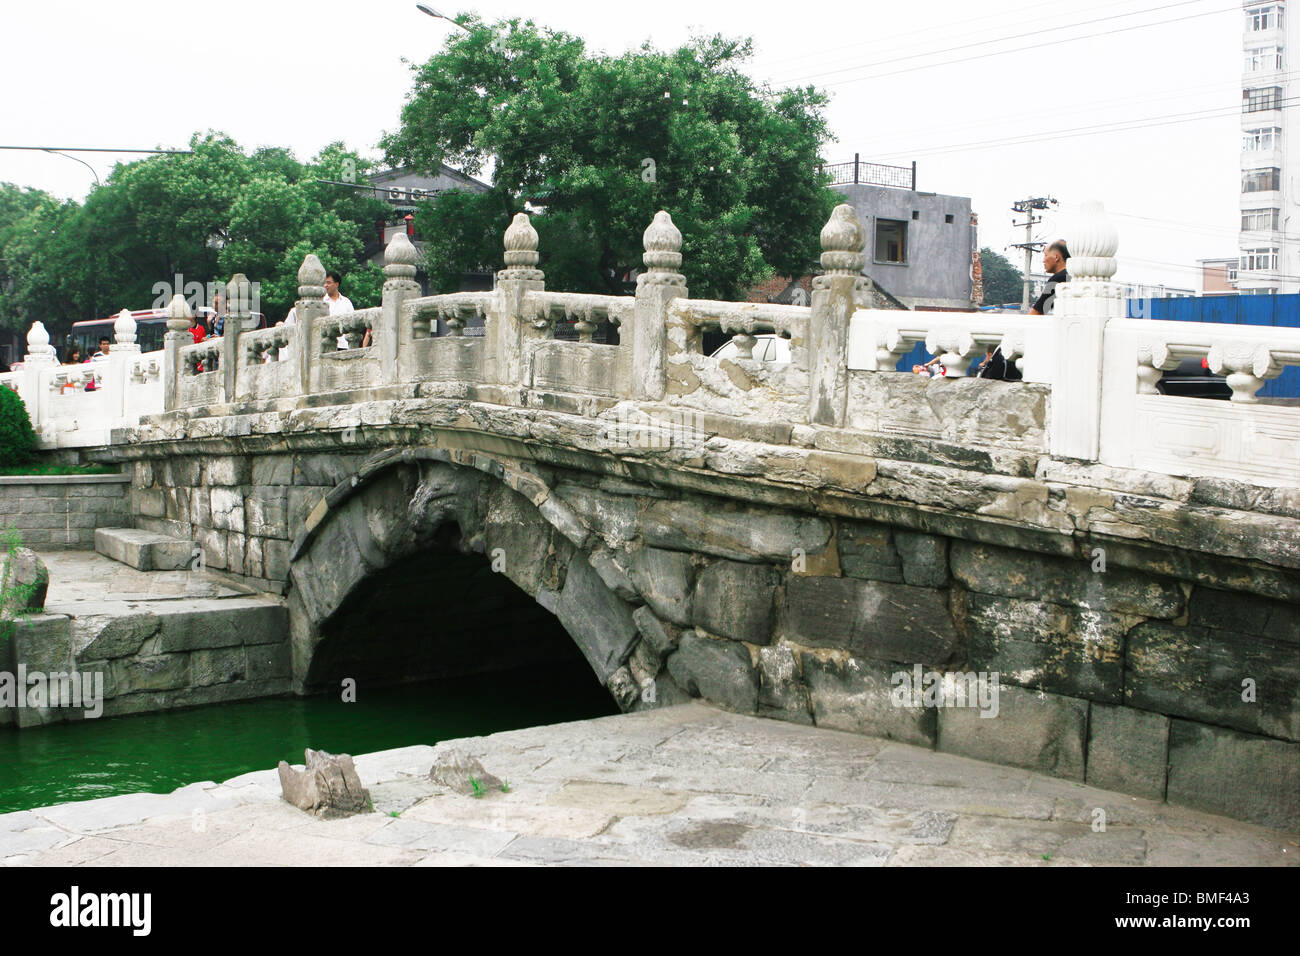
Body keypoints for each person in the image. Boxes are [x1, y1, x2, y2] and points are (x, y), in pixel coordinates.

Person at [1030, 240, 1070, 315]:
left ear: (1056, 257)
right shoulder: (1072, 275)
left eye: (1046, 255)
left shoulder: (1058, 279)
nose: (1043, 260)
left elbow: (1037, 311)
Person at [324, 271, 354, 349]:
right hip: (327, 345)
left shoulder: (346, 302)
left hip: (344, 344)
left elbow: (353, 321)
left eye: (328, 283)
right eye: (324, 283)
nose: (325, 285)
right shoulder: (322, 302)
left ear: (336, 284)